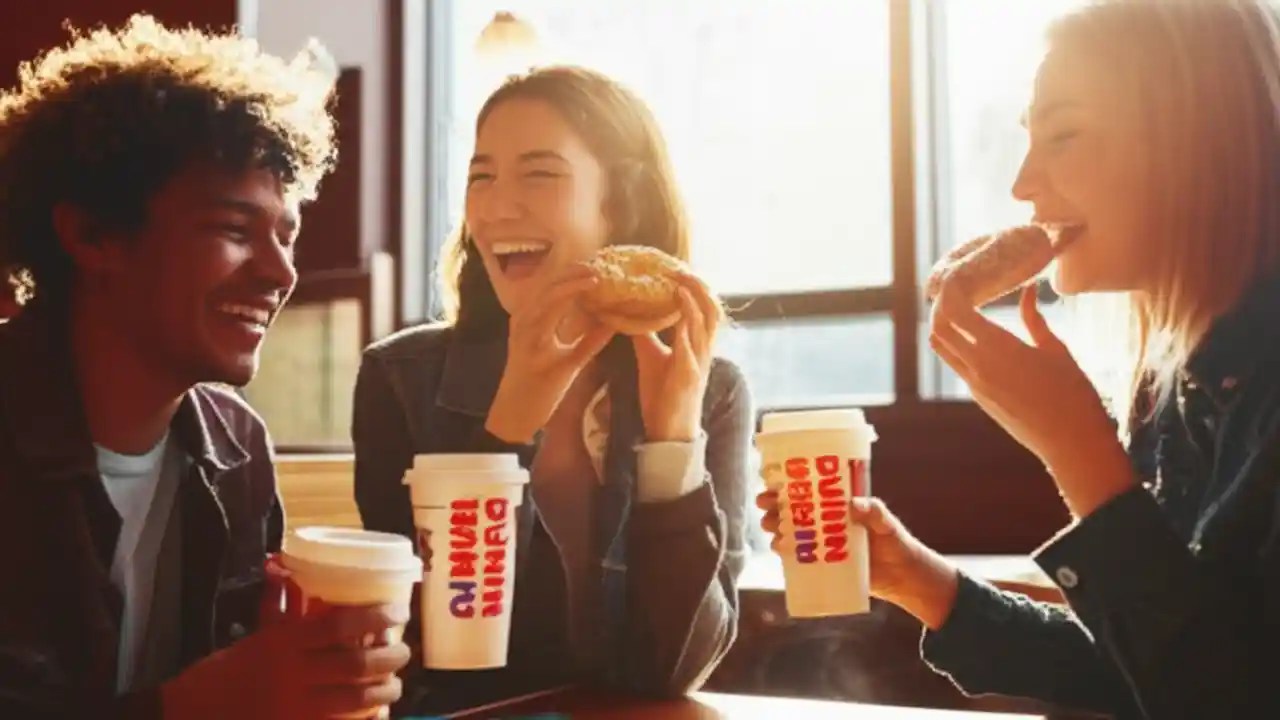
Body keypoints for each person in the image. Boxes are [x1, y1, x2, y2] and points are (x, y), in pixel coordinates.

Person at [760, 1, 1280, 717]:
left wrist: (1079, 451)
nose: (1023, 184)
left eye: (1063, 136)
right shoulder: (1174, 386)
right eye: (1028, 140)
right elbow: (1134, 674)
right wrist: (923, 582)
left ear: (1197, 142)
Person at [0, 15, 411, 718]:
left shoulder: (237, 450)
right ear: (93, 234)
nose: (282, 273)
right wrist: (194, 705)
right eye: (232, 230)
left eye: (287, 235)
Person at [353, 65, 753, 714]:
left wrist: (672, 443)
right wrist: (506, 427)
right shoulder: (401, 379)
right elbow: (439, 650)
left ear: (620, 204)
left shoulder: (713, 389)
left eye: (539, 174)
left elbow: (678, 667)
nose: (496, 206)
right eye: (480, 177)